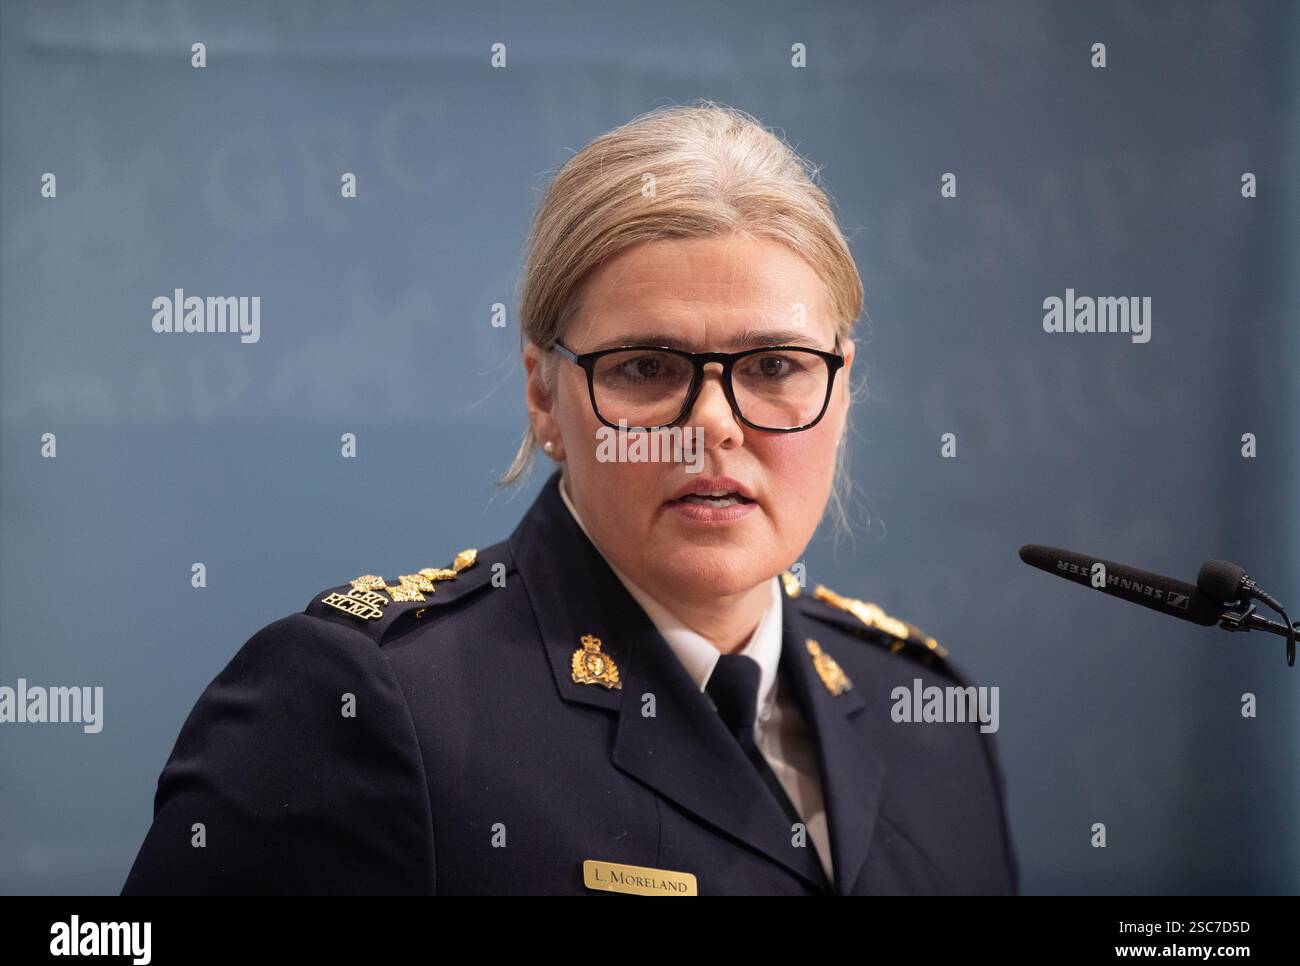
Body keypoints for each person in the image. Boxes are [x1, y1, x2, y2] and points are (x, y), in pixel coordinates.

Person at [122, 100, 1017, 896]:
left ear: (843, 388)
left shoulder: (928, 718)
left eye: (774, 365)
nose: (712, 424)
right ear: (544, 396)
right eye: (646, 367)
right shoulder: (365, 708)